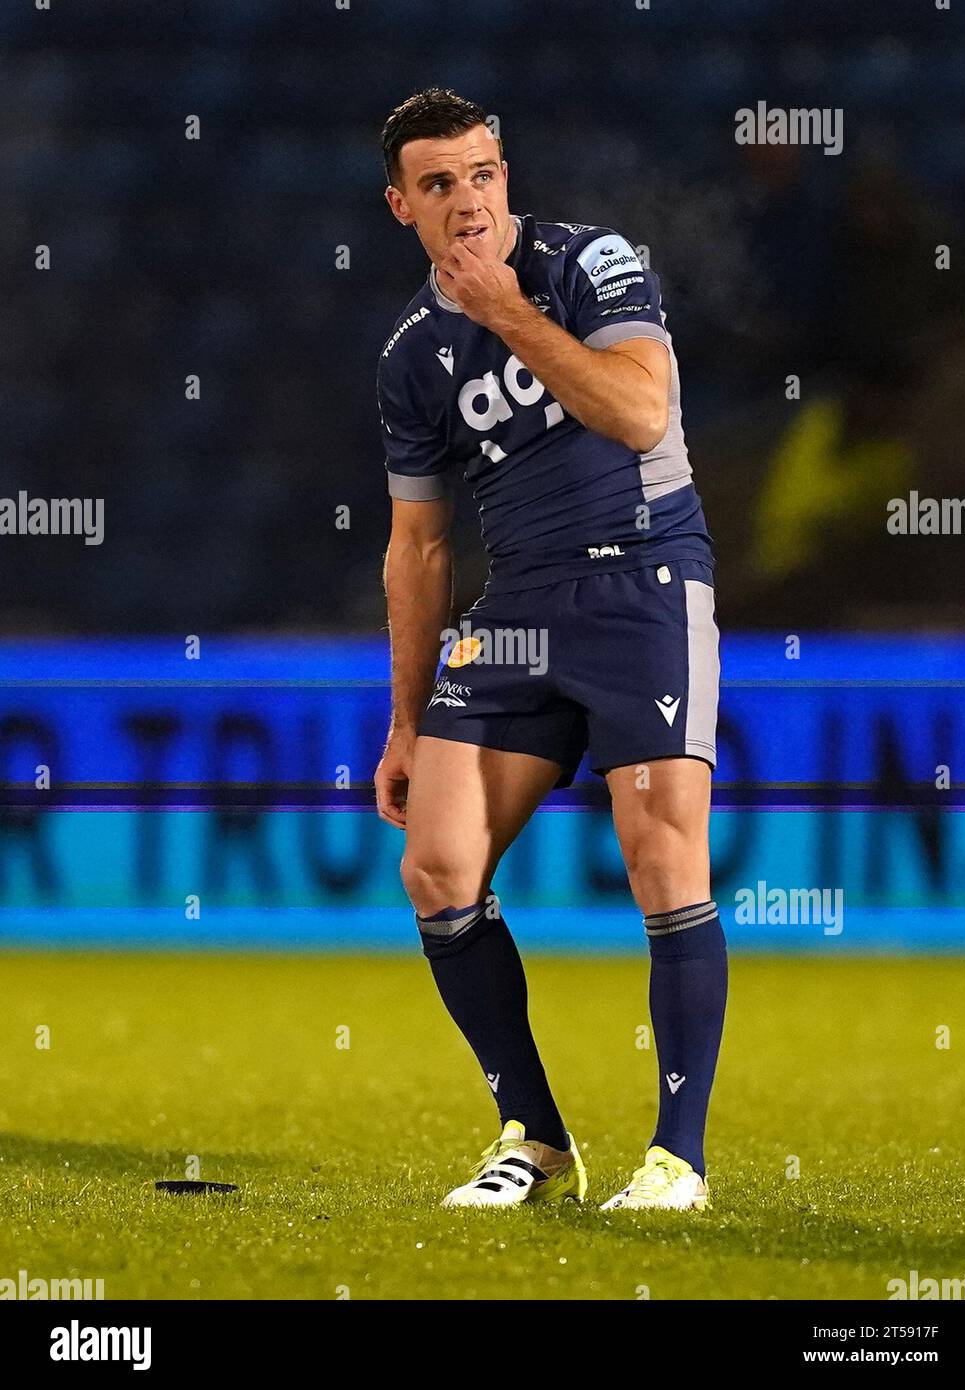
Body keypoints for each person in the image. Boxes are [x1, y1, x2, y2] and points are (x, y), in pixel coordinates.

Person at [374, 89, 727, 1211]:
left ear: (505, 176)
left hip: (645, 580)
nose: (466, 200)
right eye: (438, 184)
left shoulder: (592, 263)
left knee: (661, 856)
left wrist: (511, 311)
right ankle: (534, 1138)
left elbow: (637, 412)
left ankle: (676, 1159)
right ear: (400, 206)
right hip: (520, 605)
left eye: (481, 174)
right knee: (435, 869)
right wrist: (403, 716)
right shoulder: (409, 355)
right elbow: (418, 547)